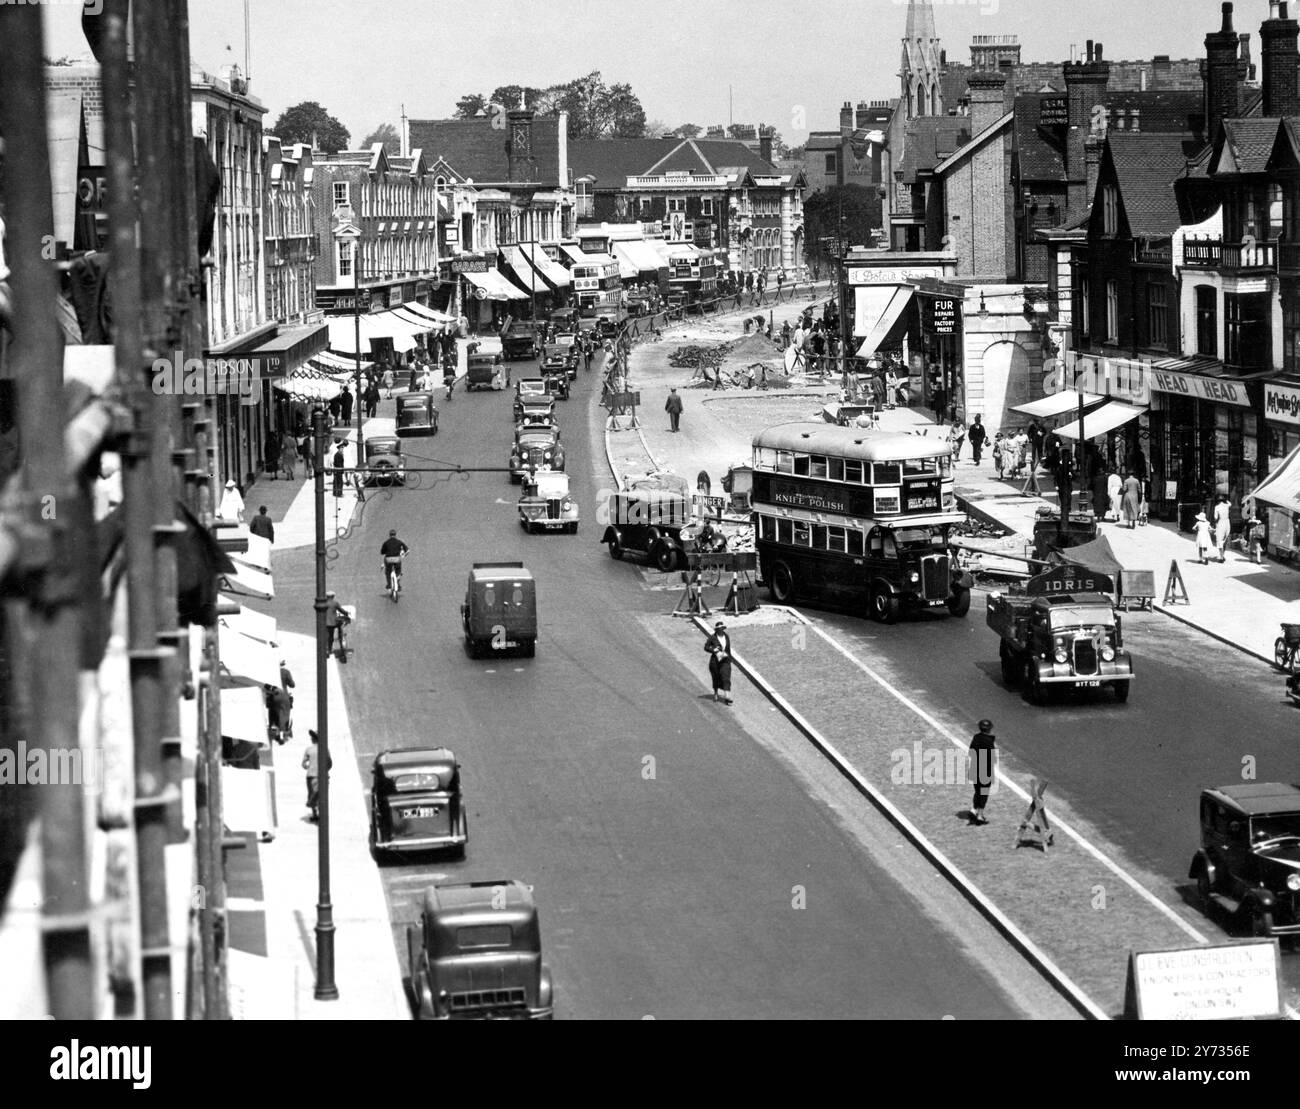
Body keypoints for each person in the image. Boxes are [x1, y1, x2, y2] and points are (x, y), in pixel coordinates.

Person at [967, 719, 997, 826]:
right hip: (985, 770)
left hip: (975, 769)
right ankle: (980, 815)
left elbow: (971, 752)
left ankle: (974, 809)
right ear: (989, 729)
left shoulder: (976, 737)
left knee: (978, 790)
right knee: (984, 792)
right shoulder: (990, 741)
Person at [302, 730, 332, 822]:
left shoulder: (309, 749)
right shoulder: (325, 749)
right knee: (320, 794)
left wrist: (307, 766)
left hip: (311, 775)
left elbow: (303, 764)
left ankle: (315, 813)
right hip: (322, 775)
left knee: (312, 794)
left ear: (314, 739)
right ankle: (318, 812)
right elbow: (330, 763)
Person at [703, 619, 733, 704]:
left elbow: (728, 648)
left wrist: (730, 658)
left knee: (726, 677)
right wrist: (713, 649)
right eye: (719, 629)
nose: (721, 630)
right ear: (716, 629)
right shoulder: (712, 638)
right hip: (715, 661)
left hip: (725, 660)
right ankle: (715, 693)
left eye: (722, 628)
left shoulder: (726, 636)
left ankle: (727, 696)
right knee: (716, 677)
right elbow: (706, 647)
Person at [1213, 493, 1232, 562]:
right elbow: (1230, 503)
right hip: (1227, 522)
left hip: (1221, 522)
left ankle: (1221, 557)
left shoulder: (1217, 507)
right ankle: (1223, 555)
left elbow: (1215, 517)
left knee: (1219, 539)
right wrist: (1226, 500)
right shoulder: (1227, 505)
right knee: (1225, 539)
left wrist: (1215, 525)